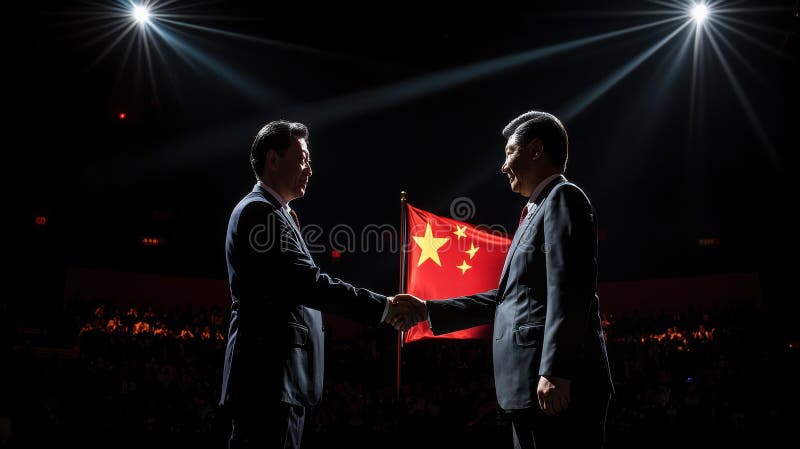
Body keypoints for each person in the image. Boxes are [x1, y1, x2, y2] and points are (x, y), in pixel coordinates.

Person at [392, 111, 613, 448]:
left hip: (556, 386)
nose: (502, 165)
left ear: (536, 150)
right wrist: (428, 310)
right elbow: (507, 298)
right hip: (528, 389)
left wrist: (556, 369)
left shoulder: (563, 198)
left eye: (510, 152)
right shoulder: (535, 211)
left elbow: (570, 289)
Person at [220, 120, 413, 449]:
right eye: (302, 158)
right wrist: (383, 306)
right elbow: (309, 284)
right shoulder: (259, 212)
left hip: (277, 382)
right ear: (273, 159)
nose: (310, 169)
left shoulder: (275, 213)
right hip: (268, 381)